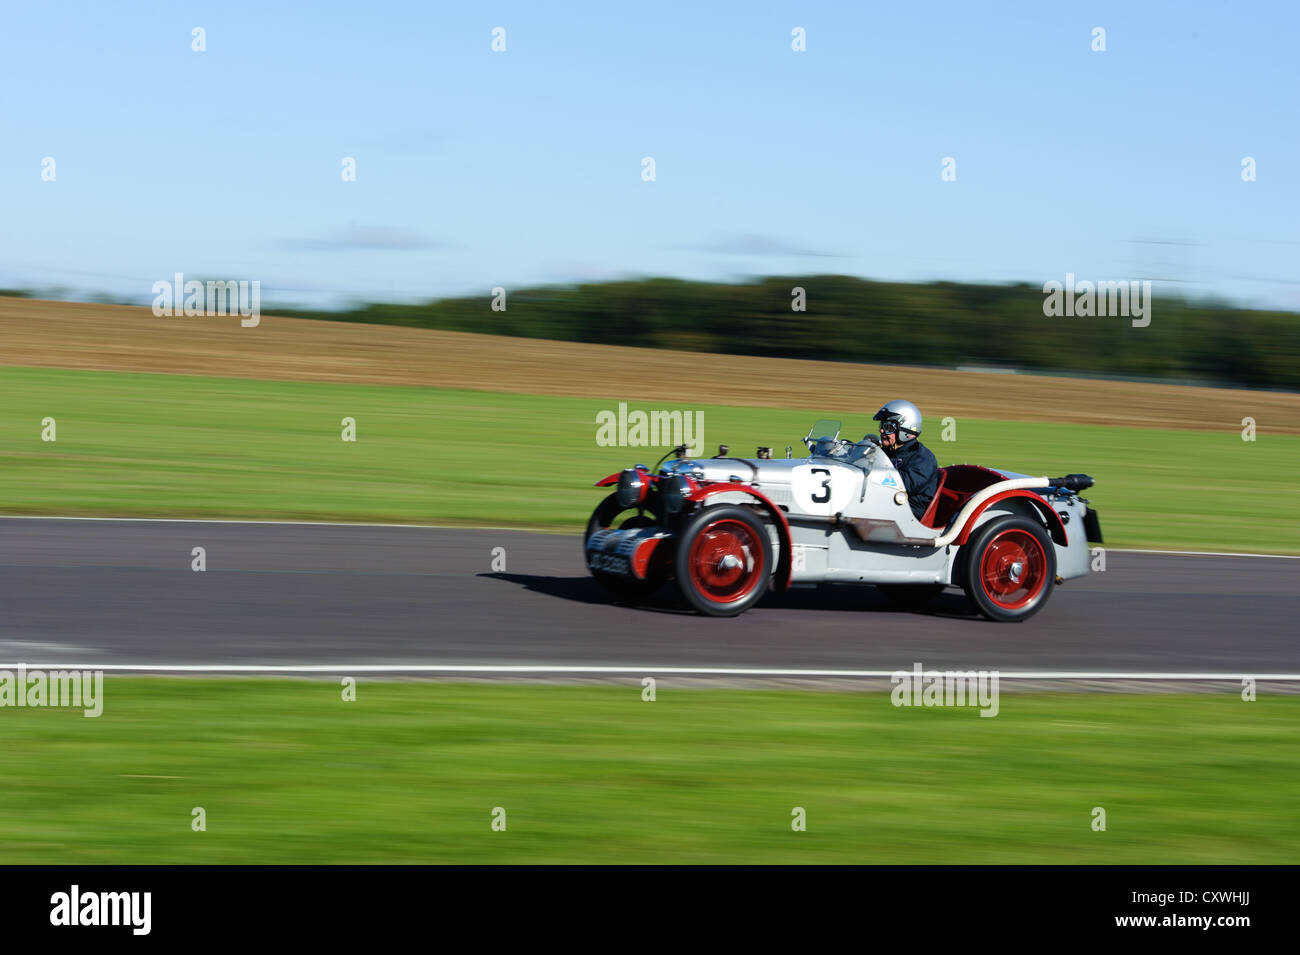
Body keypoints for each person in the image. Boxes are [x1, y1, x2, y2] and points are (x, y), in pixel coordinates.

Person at [872, 399, 938, 520]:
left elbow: (902, 484)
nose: (882, 431)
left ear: (906, 430)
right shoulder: (888, 451)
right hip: (889, 505)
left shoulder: (923, 458)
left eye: (888, 427)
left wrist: (871, 474)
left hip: (909, 514)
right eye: (882, 426)